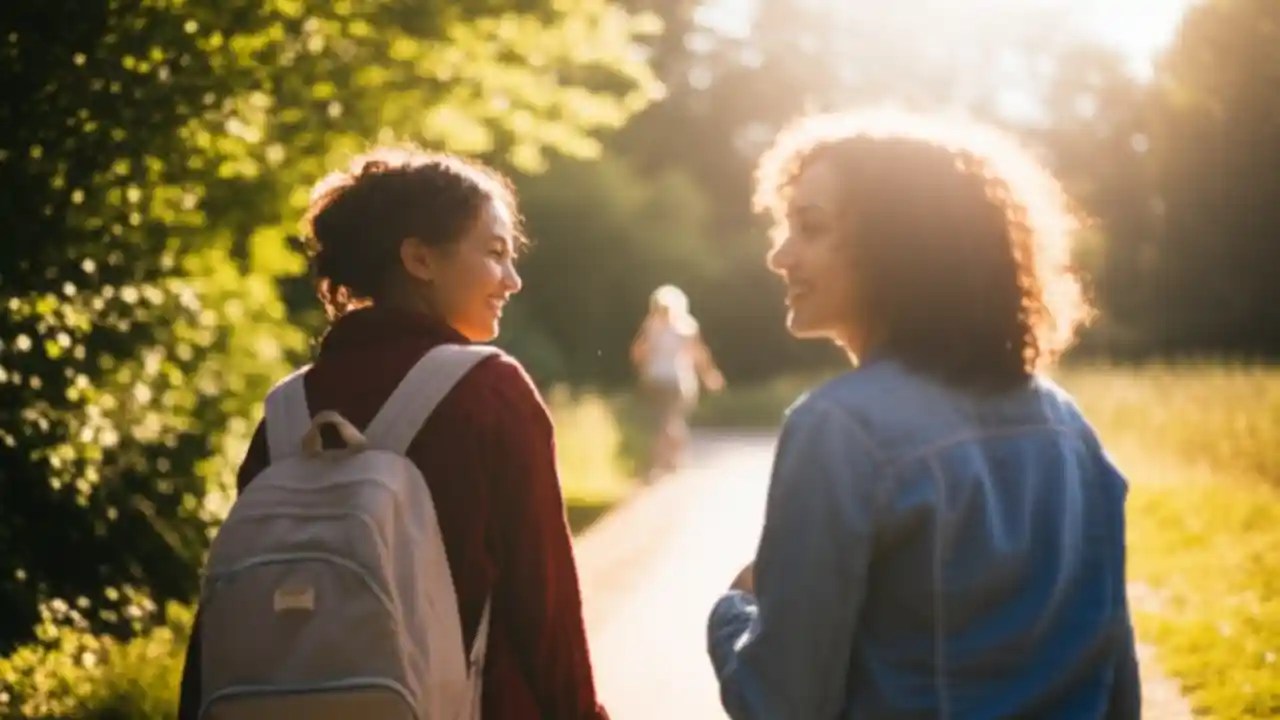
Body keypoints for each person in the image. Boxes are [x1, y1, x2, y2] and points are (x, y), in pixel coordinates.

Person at [707, 110, 1141, 719]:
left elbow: (781, 704)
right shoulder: (1068, 427)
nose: (781, 255)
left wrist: (733, 611)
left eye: (810, 228)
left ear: (899, 243)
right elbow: (1117, 681)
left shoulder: (840, 428)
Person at [178, 146, 609, 719]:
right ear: (420, 260)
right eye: (495, 252)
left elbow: (229, 603)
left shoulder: (287, 410)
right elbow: (544, 608)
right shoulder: (490, 392)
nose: (513, 280)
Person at [629, 284, 724, 480]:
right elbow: (698, 354)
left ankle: (662, 462)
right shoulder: (686, 327)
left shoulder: (651, 327)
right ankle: (671, 460)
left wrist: (644, 366)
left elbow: (637, 352)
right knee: (671, 420)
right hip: (676, 380)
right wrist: (709, 375)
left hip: (655, 379)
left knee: (663, 421)